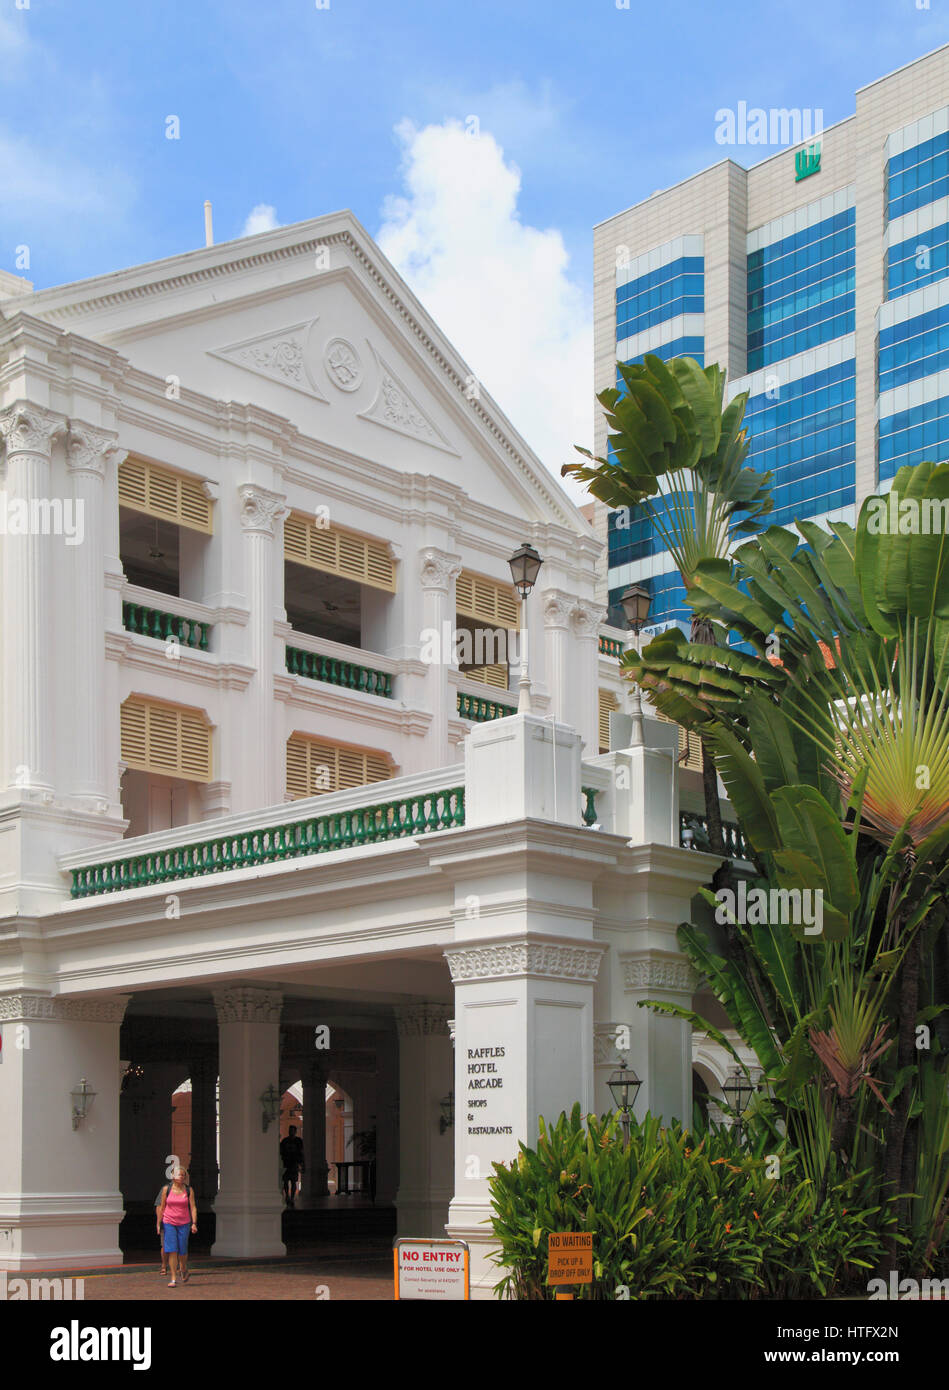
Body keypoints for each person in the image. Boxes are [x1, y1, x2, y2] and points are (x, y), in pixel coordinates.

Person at [156, 1168, 197, 1288]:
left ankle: (183, 1267)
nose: (181, 1177)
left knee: (182, 1250)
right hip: (169, 1222)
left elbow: (193, 1207)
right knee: (172, 1250)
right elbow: (162, 1207)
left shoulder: (188, 1190)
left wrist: (194, 1223)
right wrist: (159, 1223)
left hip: (184, 1223)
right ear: (173, 1176)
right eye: (179, 1174)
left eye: (183, 1175)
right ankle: (173, 1278)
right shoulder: (166, 1190)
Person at [280, 1125, 305, 1208]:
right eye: (290, 1130)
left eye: (292, 1130)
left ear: (295, 1131)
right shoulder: (285, 1141)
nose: (291, 1132)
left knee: (294, 1181)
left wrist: (301, 1163)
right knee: (286, 1181)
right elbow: (281, 1152)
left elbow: (301, 1152)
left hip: (294, 1163)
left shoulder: (298, 1141)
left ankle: (292, 1197)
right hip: (286, 1163)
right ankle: (287, 1195)